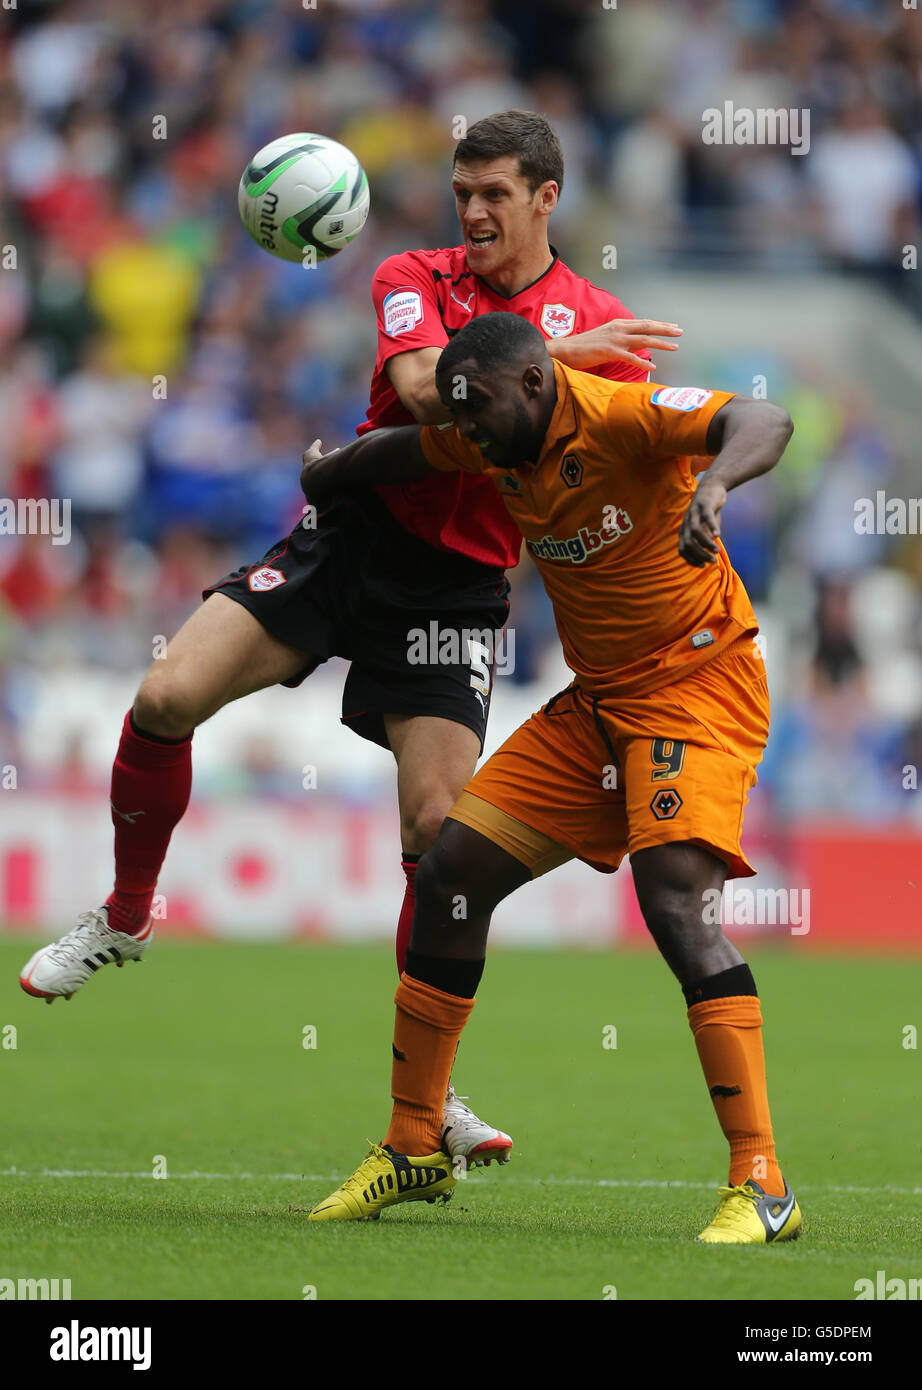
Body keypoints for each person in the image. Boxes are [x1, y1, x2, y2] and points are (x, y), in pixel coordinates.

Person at [19, 110, 682, 1170]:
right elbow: (428, 395)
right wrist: (566, 363)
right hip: (349, 539)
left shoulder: (604, 317)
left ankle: (432, 1095)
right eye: (463, 190)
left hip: (459, 586)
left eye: (494, 194)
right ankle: (128, 913)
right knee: (162, 698)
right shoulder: (414, 276)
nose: (471, 211)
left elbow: (615, 457)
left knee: (438, 832)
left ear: (546, 198)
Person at [300, 312, 801, 1245]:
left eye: (482, 412)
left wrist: (718, 487)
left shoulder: (620, 418)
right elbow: (406, 452)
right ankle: (413, 1144)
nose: (472, 435)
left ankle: (764, 1185)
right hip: (599, 703)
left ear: (534, 385)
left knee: (677, 907)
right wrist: (326, 472)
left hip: (695, 685)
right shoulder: (489, 428)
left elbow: (761, 422)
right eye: (464, 418)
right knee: (451, 873)